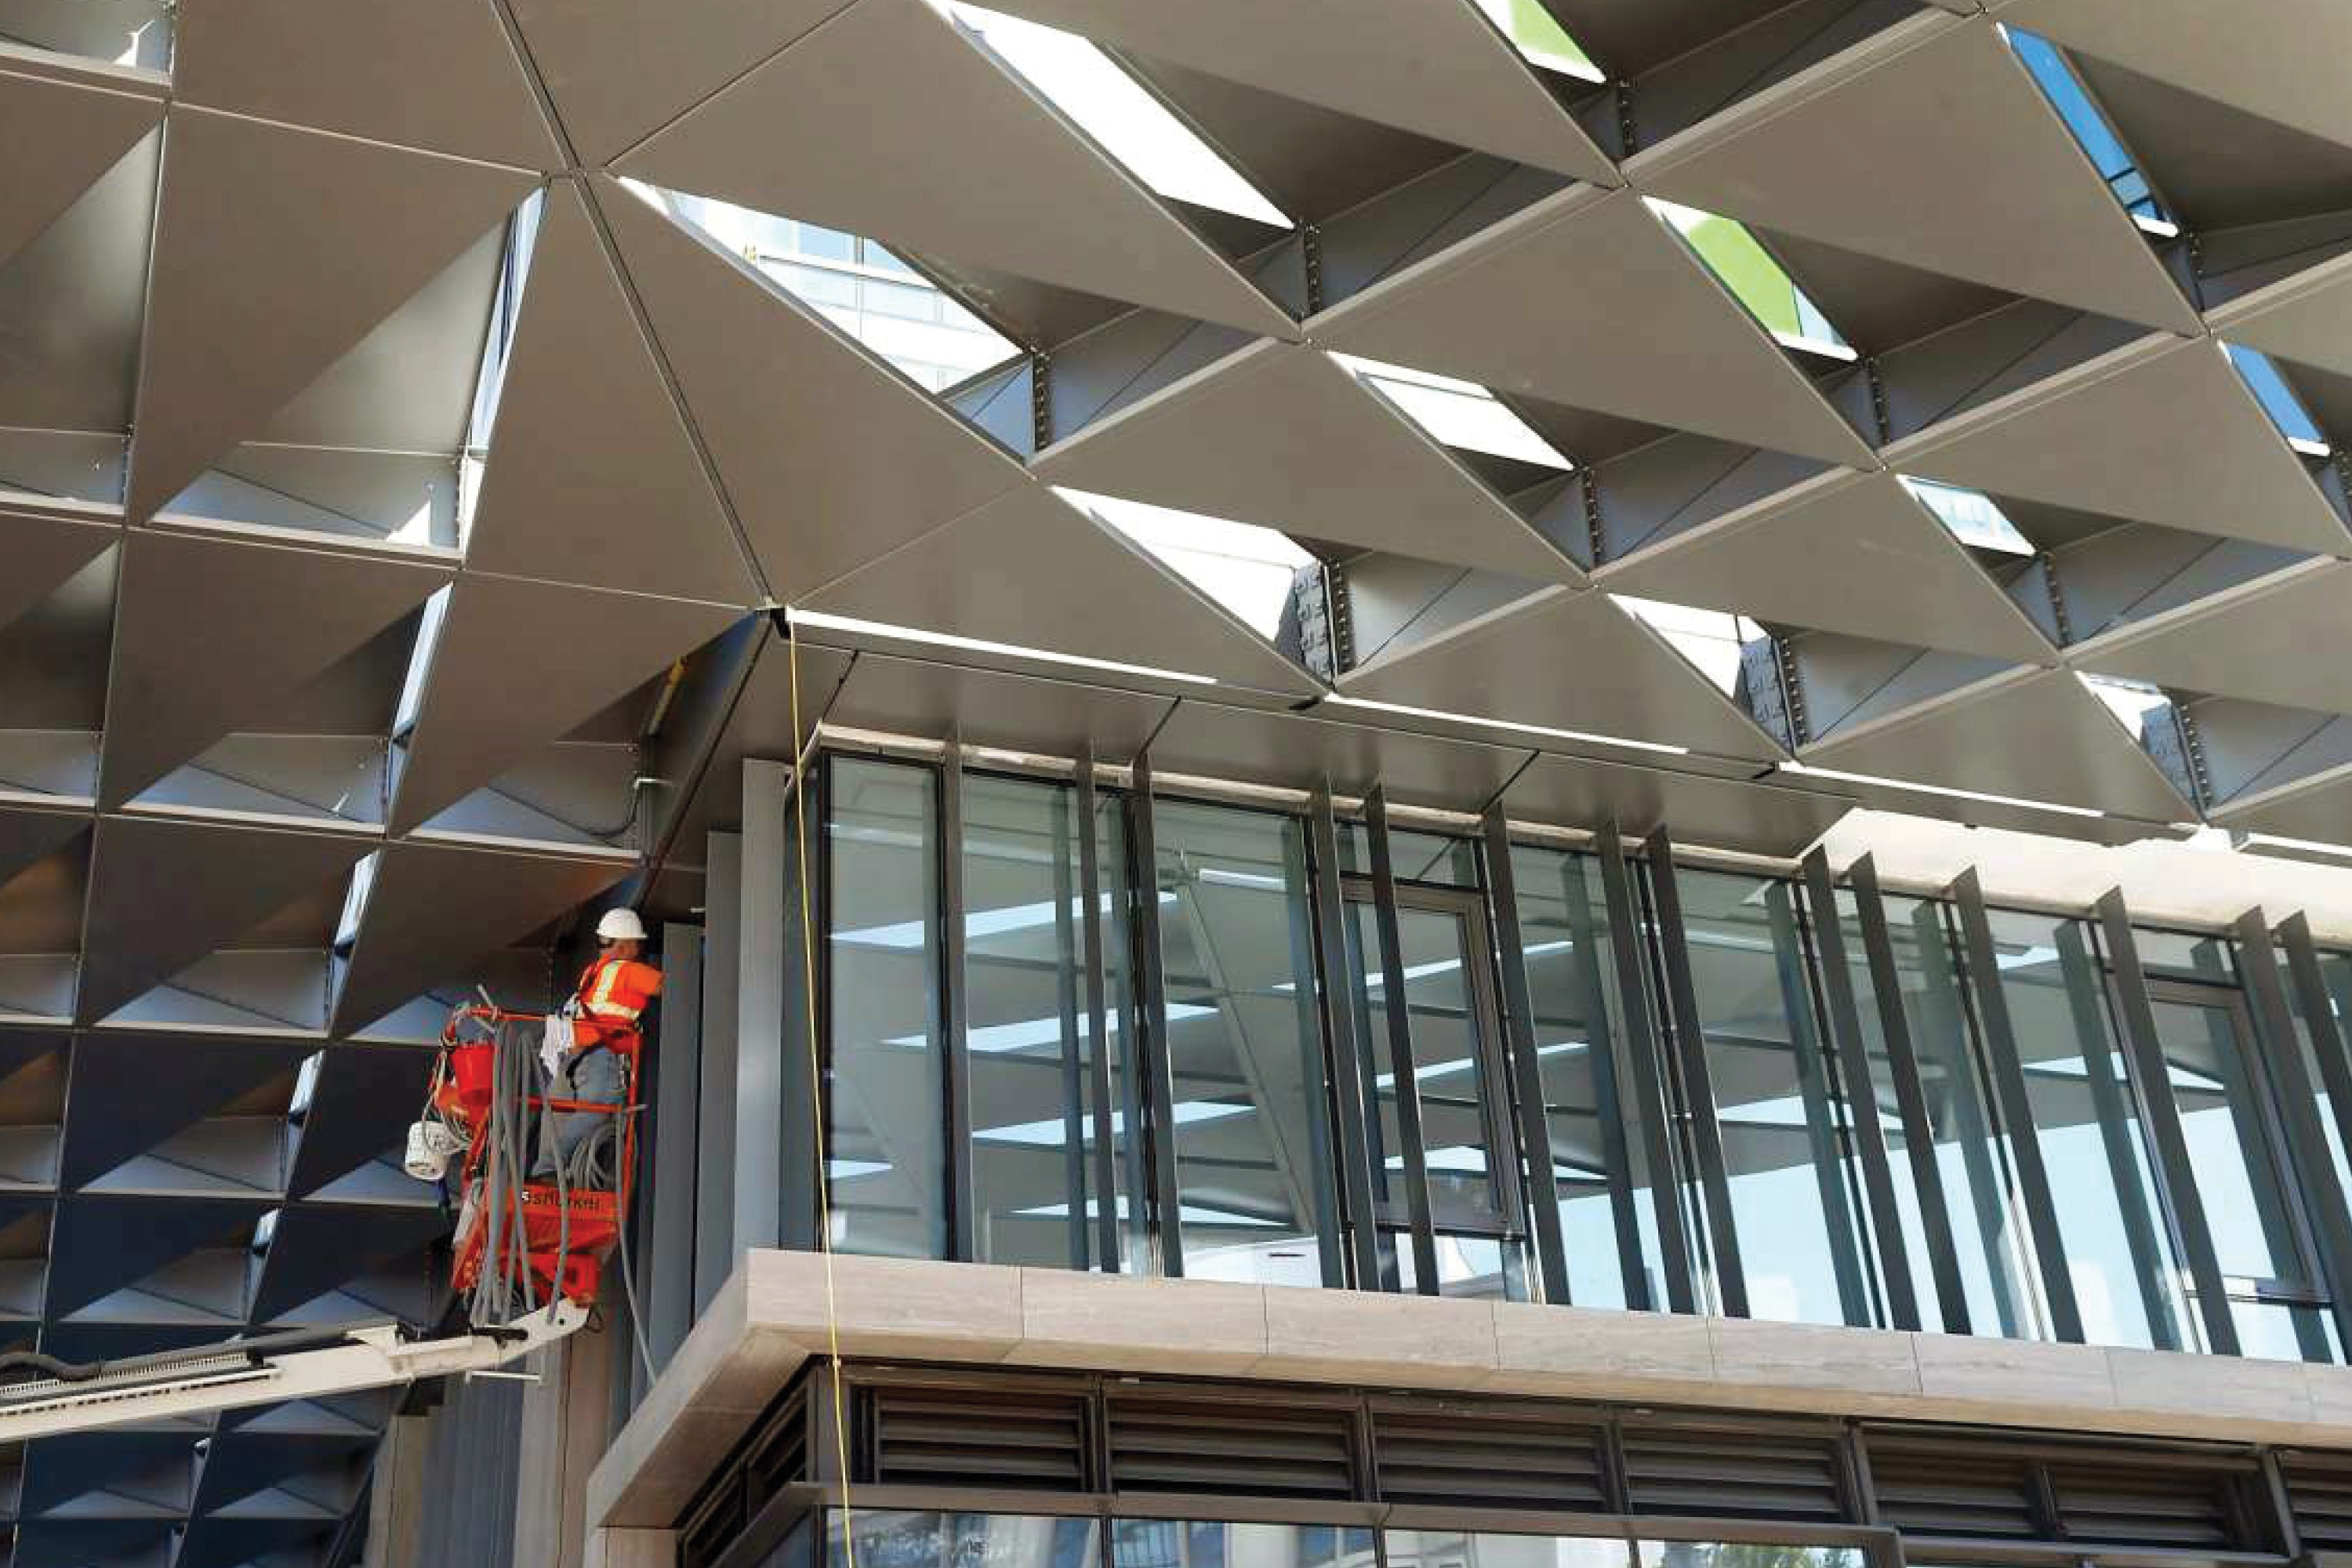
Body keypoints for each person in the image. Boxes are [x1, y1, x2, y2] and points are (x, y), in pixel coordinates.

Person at [536, 908, 662, 1181]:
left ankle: (555, 1168)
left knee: (582, 1114)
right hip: (599, 1055)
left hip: (580, 1055)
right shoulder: (628, 970)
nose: (638, 950)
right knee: (599, 1110)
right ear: (625, 945)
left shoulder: (592, 972)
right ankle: (548, 1167)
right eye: (637, 944)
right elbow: (667, 986)